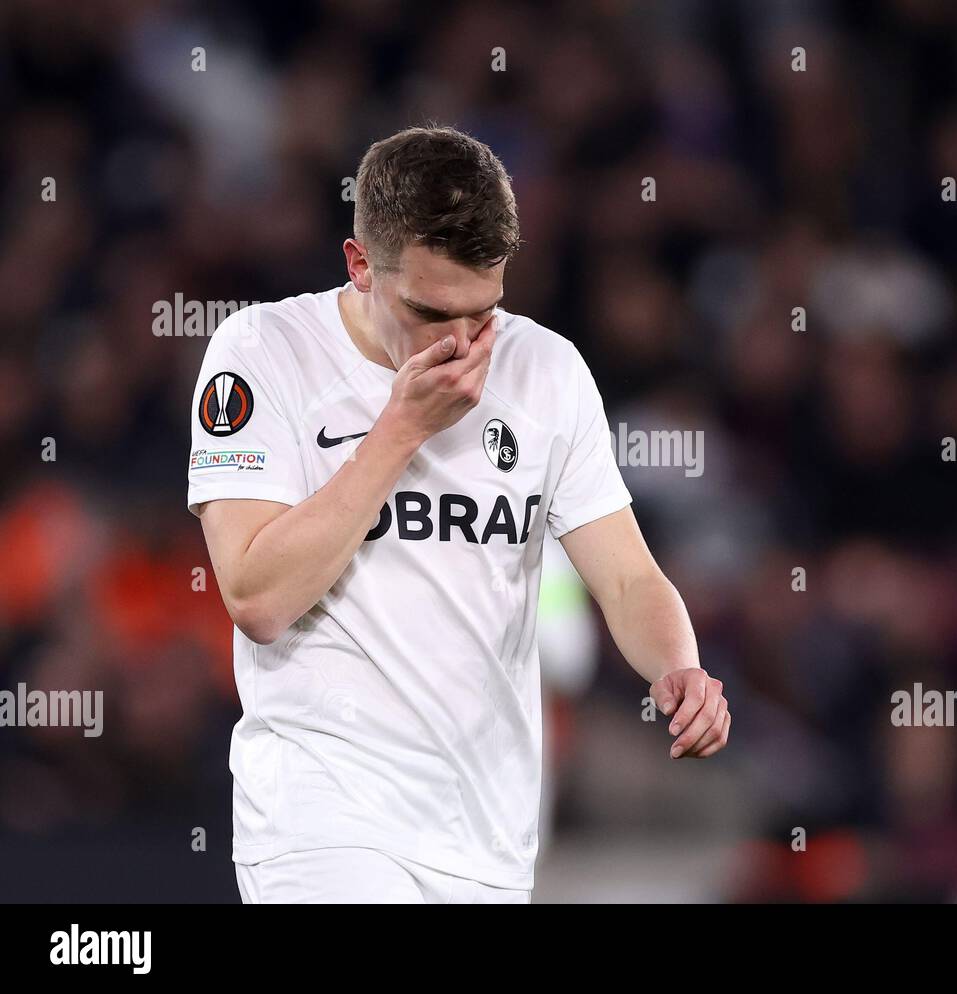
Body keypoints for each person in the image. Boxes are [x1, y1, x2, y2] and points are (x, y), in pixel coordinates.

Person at [187, 125, 730, 903]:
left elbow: (628, 578)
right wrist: (402, 428)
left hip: (486, 836)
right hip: (323, 820)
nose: (462, 341)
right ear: (360, 265)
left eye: (484, 311)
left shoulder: (548, 371)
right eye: (431, 310)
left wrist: (680, 667)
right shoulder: (263, 352)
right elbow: (256, 596)